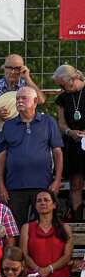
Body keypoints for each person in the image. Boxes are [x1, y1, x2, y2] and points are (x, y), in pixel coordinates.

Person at [0, 86, 63, 226]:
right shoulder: (8, 125)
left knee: (42, 226)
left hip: (42, 185)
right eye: (17, 99)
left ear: (35, 101)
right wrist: (1, 184)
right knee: (15, 227)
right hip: (14, 186)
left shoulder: (48, 122)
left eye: (24, 98)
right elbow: (1, 156)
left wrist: (57, 180)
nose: (19, 101)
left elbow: (57, 153)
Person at [21, 189, 74, 277]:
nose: (42, 203)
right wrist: (39, 271)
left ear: (54, 205)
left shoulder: (65, 228)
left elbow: (67, 256)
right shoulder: (27, 227)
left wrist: (48, 269)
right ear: (35, 205)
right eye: (39, 200)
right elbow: (24, 254)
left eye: (46, 200)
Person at [0, 54, 45, 153]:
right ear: (4, 68)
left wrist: (27, 78)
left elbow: (41, 100)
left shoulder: (27, 86)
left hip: (25, 135)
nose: (13, 72)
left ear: (23, 69)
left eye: (17, 68)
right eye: (9, 68)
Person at [55, 65, 85, 220]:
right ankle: (78, 219)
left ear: (72, 79)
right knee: (75, 183)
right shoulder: (63, 97)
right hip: (73, 143)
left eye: (62, 85)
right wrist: (69, 132)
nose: (62, 88)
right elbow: (61, 123)